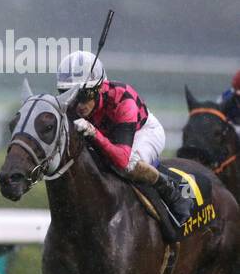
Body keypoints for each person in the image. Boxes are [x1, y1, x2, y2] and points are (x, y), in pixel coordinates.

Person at [57, 50, 194, 225]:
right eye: (70, 94)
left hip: (142, 132)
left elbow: (122, 159)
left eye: (85, 95)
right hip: (109, 136)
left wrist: (93, 133)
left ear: (99, 87)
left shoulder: (123, 99)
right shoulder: (71, 106)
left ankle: (172, 191)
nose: (79, 104)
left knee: (128, 166)